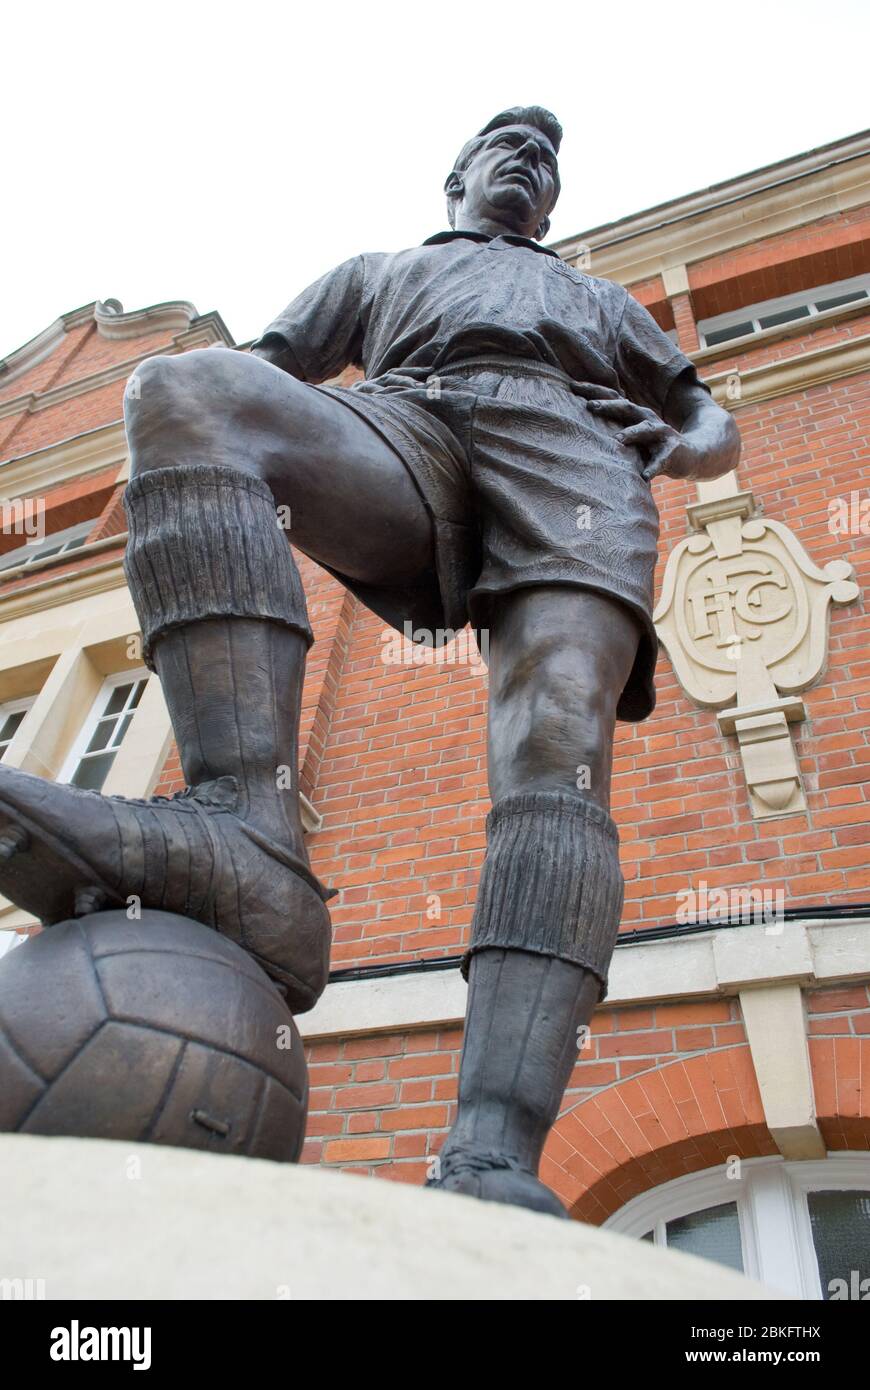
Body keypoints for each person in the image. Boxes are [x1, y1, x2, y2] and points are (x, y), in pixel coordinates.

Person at [0, 107, 739, 1215]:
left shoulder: (593, 295)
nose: (528, 167)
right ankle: (247, 824)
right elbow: (267, 372)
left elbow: (702, 409)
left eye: (547, 162)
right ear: (458, 176)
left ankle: (493, 1145)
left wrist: (680, 442)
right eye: (509, 148)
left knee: (557, 744)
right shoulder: (380, 272)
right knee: (187, 394)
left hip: (577, 465)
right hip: (413, 424)